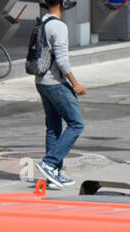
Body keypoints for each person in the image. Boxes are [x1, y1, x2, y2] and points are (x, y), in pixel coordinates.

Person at [33, 0, 86, 190]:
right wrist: (75, 83)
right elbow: (62, 60)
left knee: (53, 127)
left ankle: (53, 174)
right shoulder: (58, 26)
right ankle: (49, 162)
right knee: (76, 124)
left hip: (41, 82)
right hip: (56, 83)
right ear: (63, 4)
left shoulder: (43, 22)